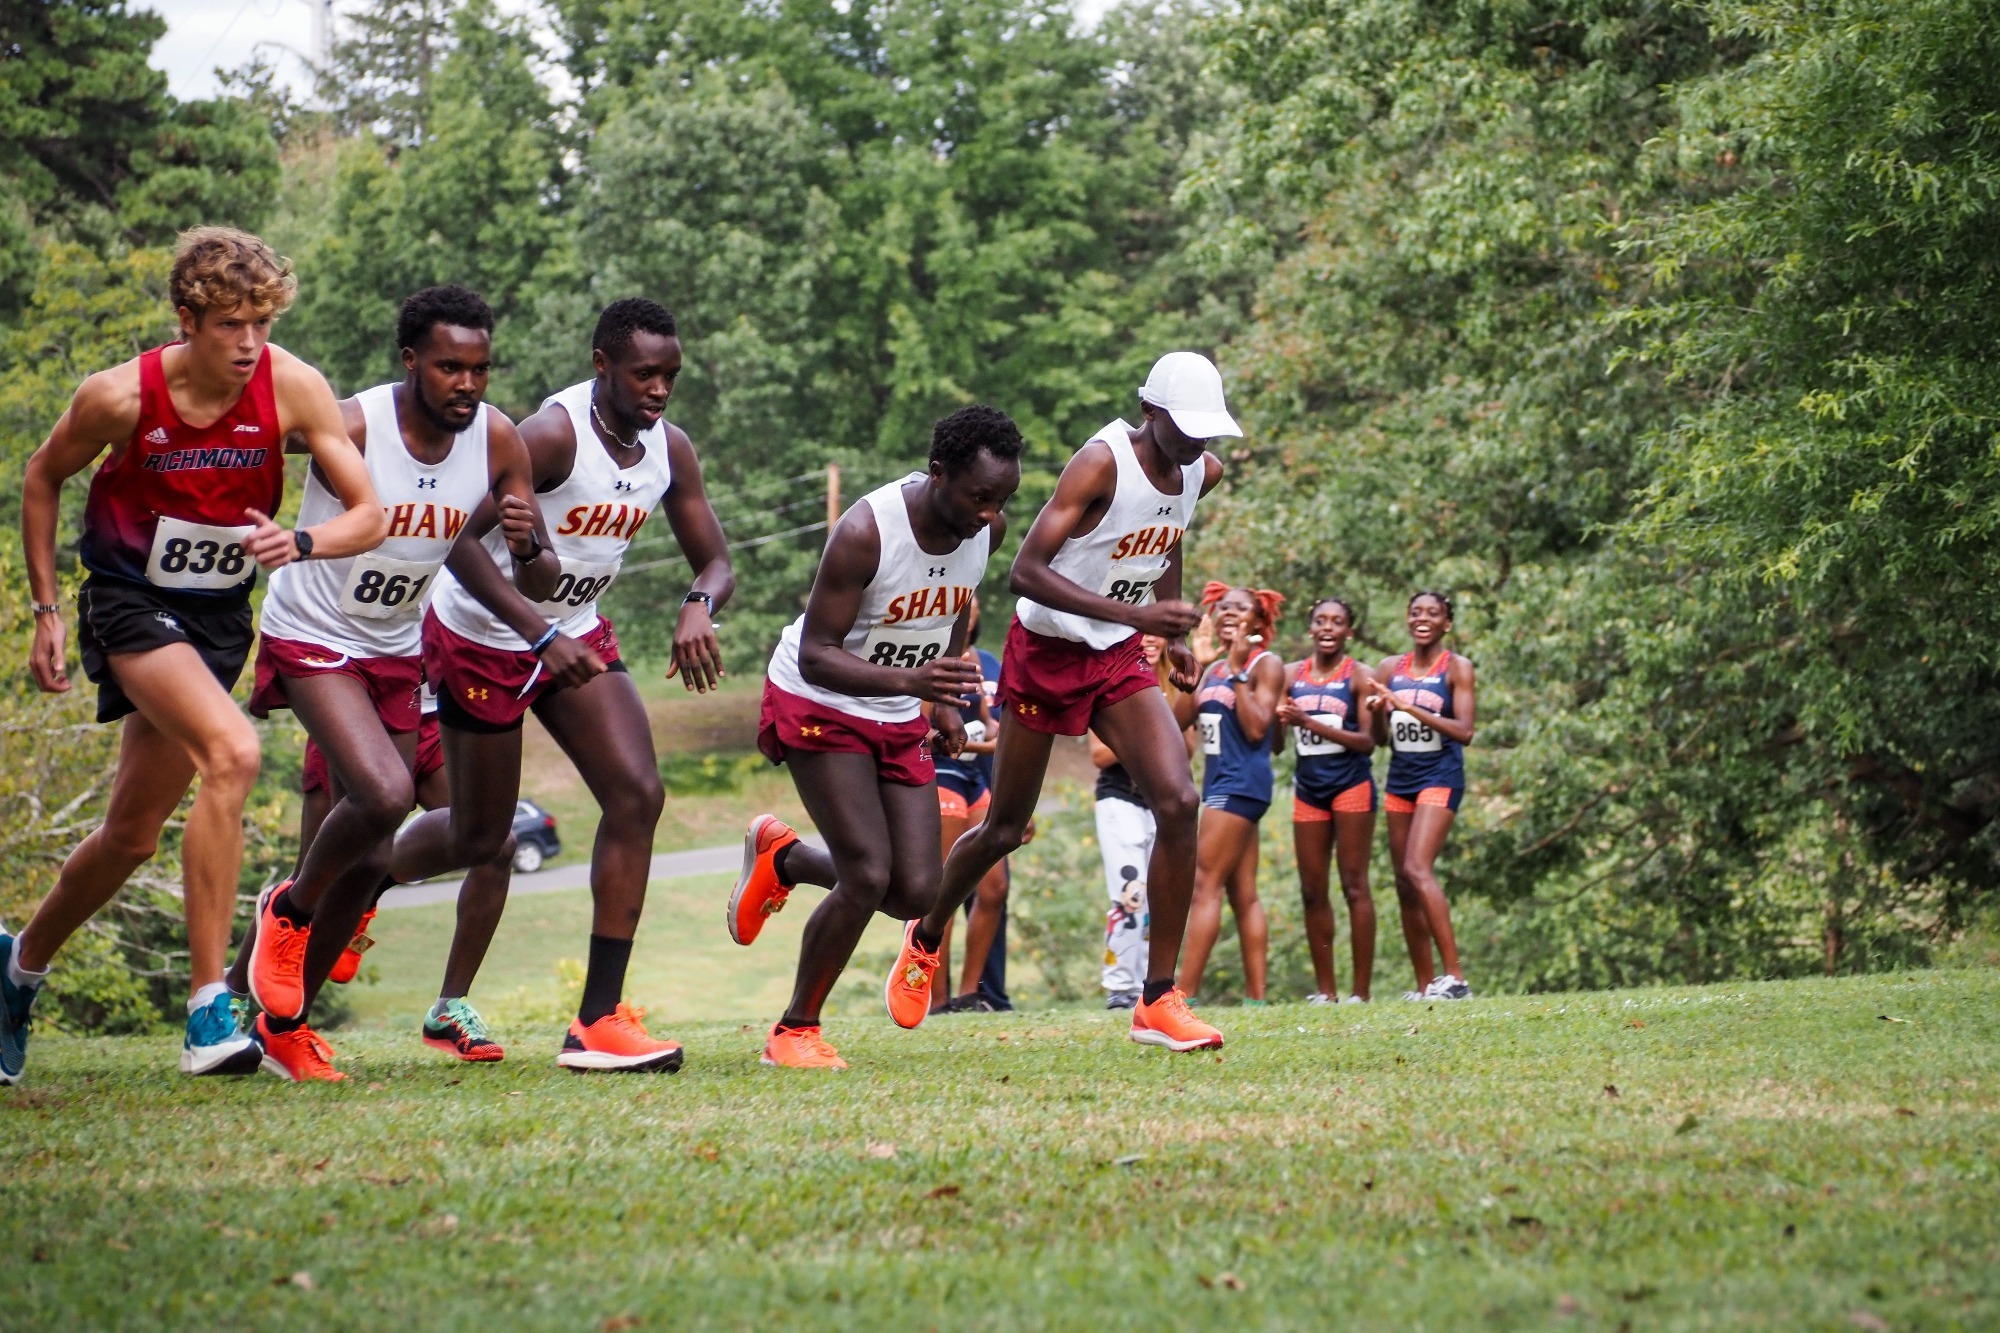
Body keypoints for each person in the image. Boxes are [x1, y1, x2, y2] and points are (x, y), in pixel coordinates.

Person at [2, 226, 385, 1087]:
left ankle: (17, 968)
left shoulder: (293, 385)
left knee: (130, 835)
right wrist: (45, 609)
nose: (249, 343)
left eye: (262, 322)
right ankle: (210, 1008)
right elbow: (41, 476)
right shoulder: (118, 397)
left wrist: (302, 540)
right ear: (187, 320)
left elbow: (369, 513)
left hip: (216, 620)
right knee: (235, 753)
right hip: (129, 603)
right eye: (229, 325)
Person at [387, 297, 733, 1072]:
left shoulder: (670, 449)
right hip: (482, 635)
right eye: (644, 374)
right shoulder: (551, 435)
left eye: (670, 375)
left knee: (638, 794)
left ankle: (598, 1020)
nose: (659, 389)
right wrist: (534, 632)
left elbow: (716, 560)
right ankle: (359, 873)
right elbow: (454, 541)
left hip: (573, 631)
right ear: (602, 364)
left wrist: (698, 604)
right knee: (480, 837)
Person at [236, 285, 544, 1079]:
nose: (467, 384)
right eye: (449, 367)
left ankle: (283, 1024)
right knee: (384, 794)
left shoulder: (498, 440)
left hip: (395, 647)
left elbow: (537, 574)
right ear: (411, 361)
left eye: (479, 368)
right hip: (312, 632)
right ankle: (288, 909)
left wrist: (528, 543)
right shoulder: (356, 423)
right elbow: (251, 443)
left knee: (372, 856)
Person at [908, 351, 1235, 1052]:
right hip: (1047, 651)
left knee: (1179, 801)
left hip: (1116, 654)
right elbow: (1026, 572)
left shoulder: (1201, 470)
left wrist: (1172, 624)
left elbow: (1168, 536)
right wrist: (1143, 615)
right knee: (1003, 828)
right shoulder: (1101, 463)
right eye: (1185, 427)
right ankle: (927, 932)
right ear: (1150, 412)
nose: (1197, 442)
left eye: (1207, 430)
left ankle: (1157, 998)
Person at [727, 406, 1021, 1068]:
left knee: (915, 890)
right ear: (938, 473)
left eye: (1002, 500)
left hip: (897, 704)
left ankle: (787, 859)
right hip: (820, 700)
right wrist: (916, 681)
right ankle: (795, 1030)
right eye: (980, 497)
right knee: (865, 873)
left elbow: (953, 606)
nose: (990, 514)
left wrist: (941, 699)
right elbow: (817, 656)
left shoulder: (984, 529)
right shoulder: (867, 531)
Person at [1173, 584, 1285, 1003]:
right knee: (1242, 893)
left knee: (1204, 884)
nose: (1230, 613)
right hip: (1220, 784)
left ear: (1259, 619)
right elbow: (1177, 721)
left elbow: (1257, 729)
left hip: (1242, 784)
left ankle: (1183, 995)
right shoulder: (1215, 667)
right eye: (1222, 607)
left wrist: (1238, 671)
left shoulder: (1265, 664)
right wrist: (1200, 666)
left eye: (1241, 608)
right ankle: (1257, 998)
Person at [1364, 590, 1477, 1000]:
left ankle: (1456, 978)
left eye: (1433, 613)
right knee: (1404, 882)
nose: (1422, 619)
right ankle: (1426, 985)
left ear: (1447, 623)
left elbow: (1465, 731)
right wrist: (1378, 713)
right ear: (1407, 619)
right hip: (1401, 779)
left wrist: (1408, 707)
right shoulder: (1389, 668)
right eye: (1416, 612)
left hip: (1440, 776)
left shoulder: (1457, 667)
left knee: (1417, 866)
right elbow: (1379, 740)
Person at [1276, 597, 1379, 1003]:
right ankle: (1326, 991)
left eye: (1337, 622)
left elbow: (1367, 742)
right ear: (1311, 628)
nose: (1328, 628)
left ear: (1348, 631)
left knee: (1354, 885)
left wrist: (1308, 721)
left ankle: (1360, 992)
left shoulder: (1360, 676)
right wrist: (1279, 719)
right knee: (1312, 890)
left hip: (1351, 786)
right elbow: (1276, 744)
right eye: (1321, 621)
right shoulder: (1290, 675)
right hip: (1309, 788)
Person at [1089, 634, 1190, 1008]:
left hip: (1159, 806)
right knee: (1129, 893)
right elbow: (1099, 755)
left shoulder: (1171, 688)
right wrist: (1147, 731)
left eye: (1156, 633)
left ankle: (1149, 987)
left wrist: (1170, 711)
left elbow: (1187, 749)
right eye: (1140, 631)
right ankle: (1119, 986)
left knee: (1156, 898)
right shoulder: (1111, 681)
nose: (1149, 640)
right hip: (1119, 800)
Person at [932, 601, 1014, 1014]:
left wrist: (1004, 736)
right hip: (942, 774)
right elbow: (921, 730)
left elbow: (989, 722)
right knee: (943, 890)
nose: (970, 604)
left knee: (994, 885)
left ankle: (969, 993)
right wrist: (981, 745)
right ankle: (936, 999)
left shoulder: (976, 662)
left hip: (975, 778)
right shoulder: (928, 656)